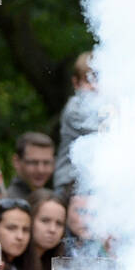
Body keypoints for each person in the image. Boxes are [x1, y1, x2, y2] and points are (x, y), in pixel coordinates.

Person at [54, 52, 99, 193]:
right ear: (76, 83)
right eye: (88, 80)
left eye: (98, 79)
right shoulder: (75, 109)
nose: (94, 86)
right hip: (69, 185)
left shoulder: (103, 109)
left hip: (88, 183)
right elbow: (104, 133)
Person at [7, 133, 56, 200]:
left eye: (46, 163)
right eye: (33, 162)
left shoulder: (51, 198)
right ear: (17, 162)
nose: (41, 170)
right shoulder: (8, 202)